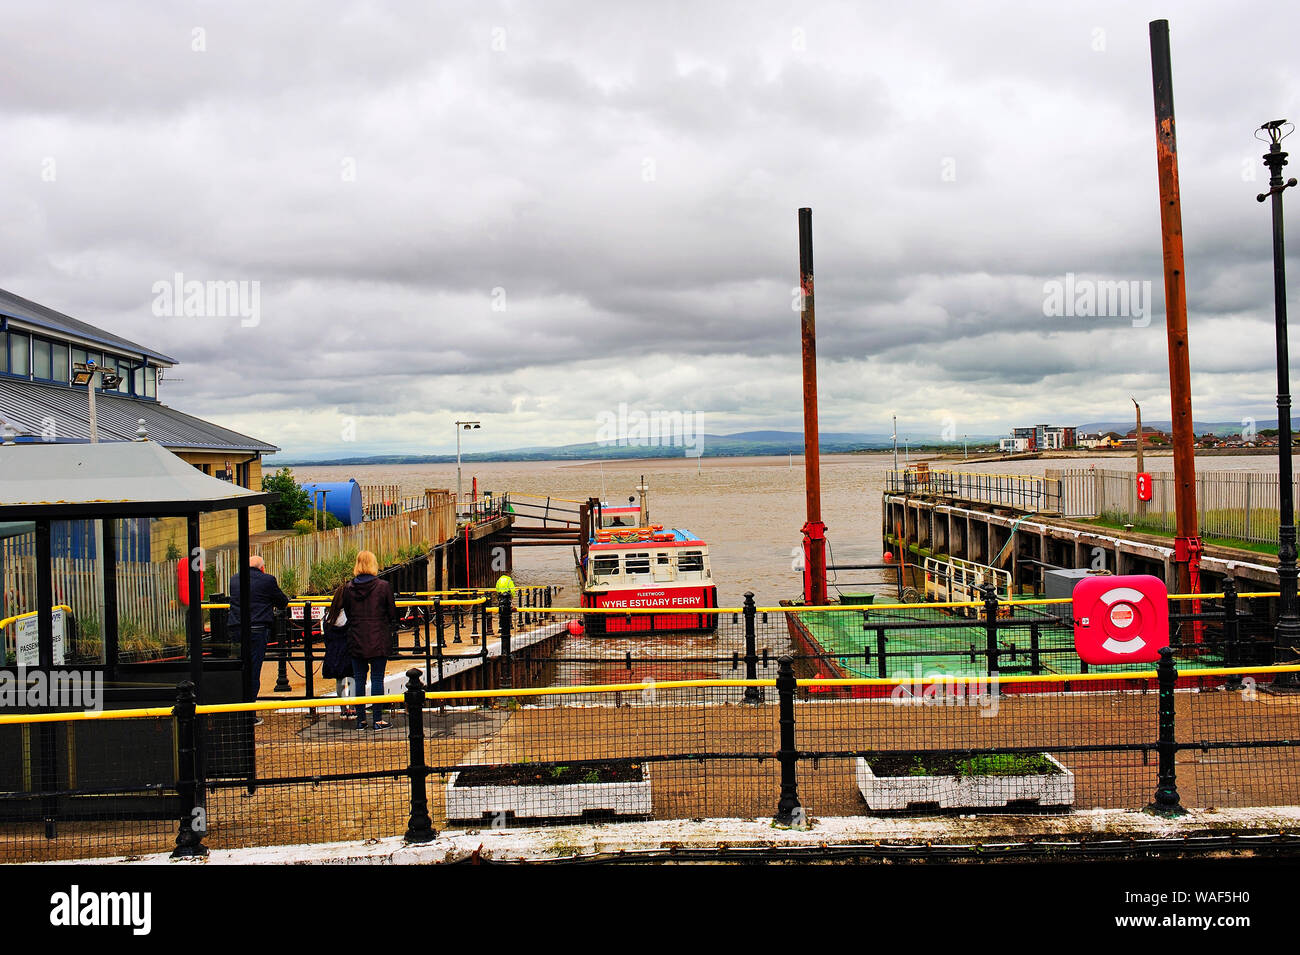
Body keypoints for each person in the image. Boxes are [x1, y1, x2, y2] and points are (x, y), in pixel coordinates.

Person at [226, 555, 290, 719]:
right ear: (262, 568)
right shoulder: (267, 580)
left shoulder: (234, 579)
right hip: (257, 629)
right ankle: (249, 713)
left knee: (240, 668)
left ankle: (238, 708)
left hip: (236, 629)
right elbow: (282, 601)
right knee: (253, 670)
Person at [341, 550, 398, 731]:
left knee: (359, 679)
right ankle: (378, 719)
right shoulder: (383, 586)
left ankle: (360, 720)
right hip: (378, 637)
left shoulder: (347, 588)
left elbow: (348, 613)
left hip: (356, 637)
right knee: (377, 679)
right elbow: (392, 613)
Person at [323, 582, 356, 718]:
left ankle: (343, 709)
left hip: (333, 652)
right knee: (352, 678)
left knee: (339, 680)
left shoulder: (329, 616)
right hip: (348, 650)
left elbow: (326, 637)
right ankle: (353, 708)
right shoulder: (349, 615)